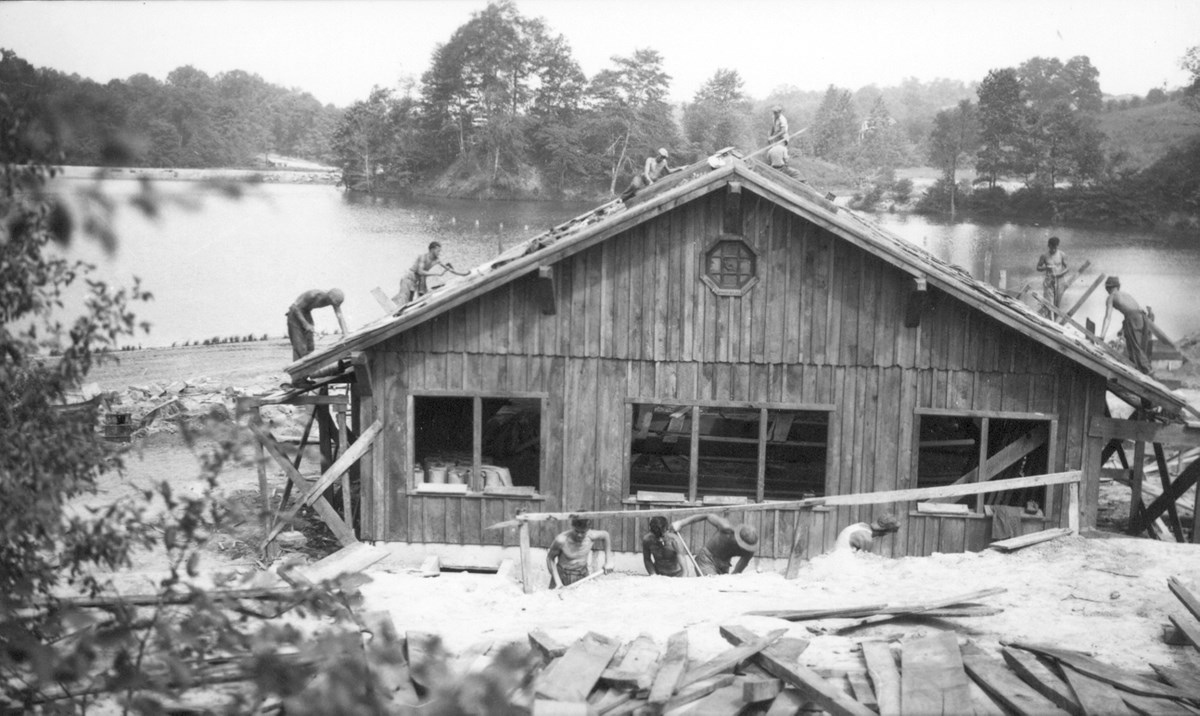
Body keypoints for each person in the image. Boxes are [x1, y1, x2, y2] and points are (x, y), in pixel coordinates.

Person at [670, 513, 757, 575]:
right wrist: (681, 523)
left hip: (724, 564)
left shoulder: (750, 549)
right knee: (711, 583)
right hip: (707, 559)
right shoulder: (726, 528)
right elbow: (707, 515)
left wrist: (733, 577)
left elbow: (739, 569)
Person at [1099, 276, 1153, 374]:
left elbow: (1107, 317)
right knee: (1139, 348)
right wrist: (1123, 328)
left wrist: (1102, 336)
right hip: (1143, 318)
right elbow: (1134, 310)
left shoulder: (1111, 297)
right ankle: (1142, 370)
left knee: (1135, 348)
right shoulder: (1126, 294)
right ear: (1118, 286)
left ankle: (1148, 371)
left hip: (1133, 318)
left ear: (1108, 288)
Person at [546, 517, 613, 589]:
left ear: (588, 529)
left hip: (582, 574)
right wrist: (558, 582)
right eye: (576, 531)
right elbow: (550, 559)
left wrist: (608, 561)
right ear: (572, 527)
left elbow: (606, 535)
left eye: (583, 532)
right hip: (562, 575)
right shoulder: (562, 540)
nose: (579, 535)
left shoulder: (591, 536)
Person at [286, 288, 348, 360]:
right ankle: (298, 368)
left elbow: (339, 315)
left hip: (306, 313)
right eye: (332, 302)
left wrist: (345, 334)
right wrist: (305, 324)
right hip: (294, 314)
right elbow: (295, 307)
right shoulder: (313, 295)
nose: (334, 305)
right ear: (328, 297)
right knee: (300, 348)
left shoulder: (333, 300)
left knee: (310, 346)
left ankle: (309, 367)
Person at [395, 241, 463, 305]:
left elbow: (449, 269)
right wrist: (437, 273)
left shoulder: (437, 260)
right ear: (432, 250)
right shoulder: (423, 257)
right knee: (403, 303)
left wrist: (463, 274)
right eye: (438, 251)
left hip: (415, 282)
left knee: (410, 303)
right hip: (408, 279)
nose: (439, 253)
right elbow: (420, 271)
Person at [834, 513, 900, 553]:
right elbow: (863, 563)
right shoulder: (867, 538)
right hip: (841, 564)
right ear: (886, 532)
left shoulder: (861, 524)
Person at [1035, 236, 1068, 313]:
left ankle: (1053, 322)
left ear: (1057, 246)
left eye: (1055, 248)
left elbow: (1067, 268)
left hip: (1060, 282)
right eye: (1051, 247)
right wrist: (1046, 268)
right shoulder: (1044, 256)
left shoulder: (1061, 254)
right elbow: (1038, 268)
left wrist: (1060, 274)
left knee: (1057, 305)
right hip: (1049, 281)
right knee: (1048, 303)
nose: (1053, 249)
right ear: (1049, 245)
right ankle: (1047, 319)